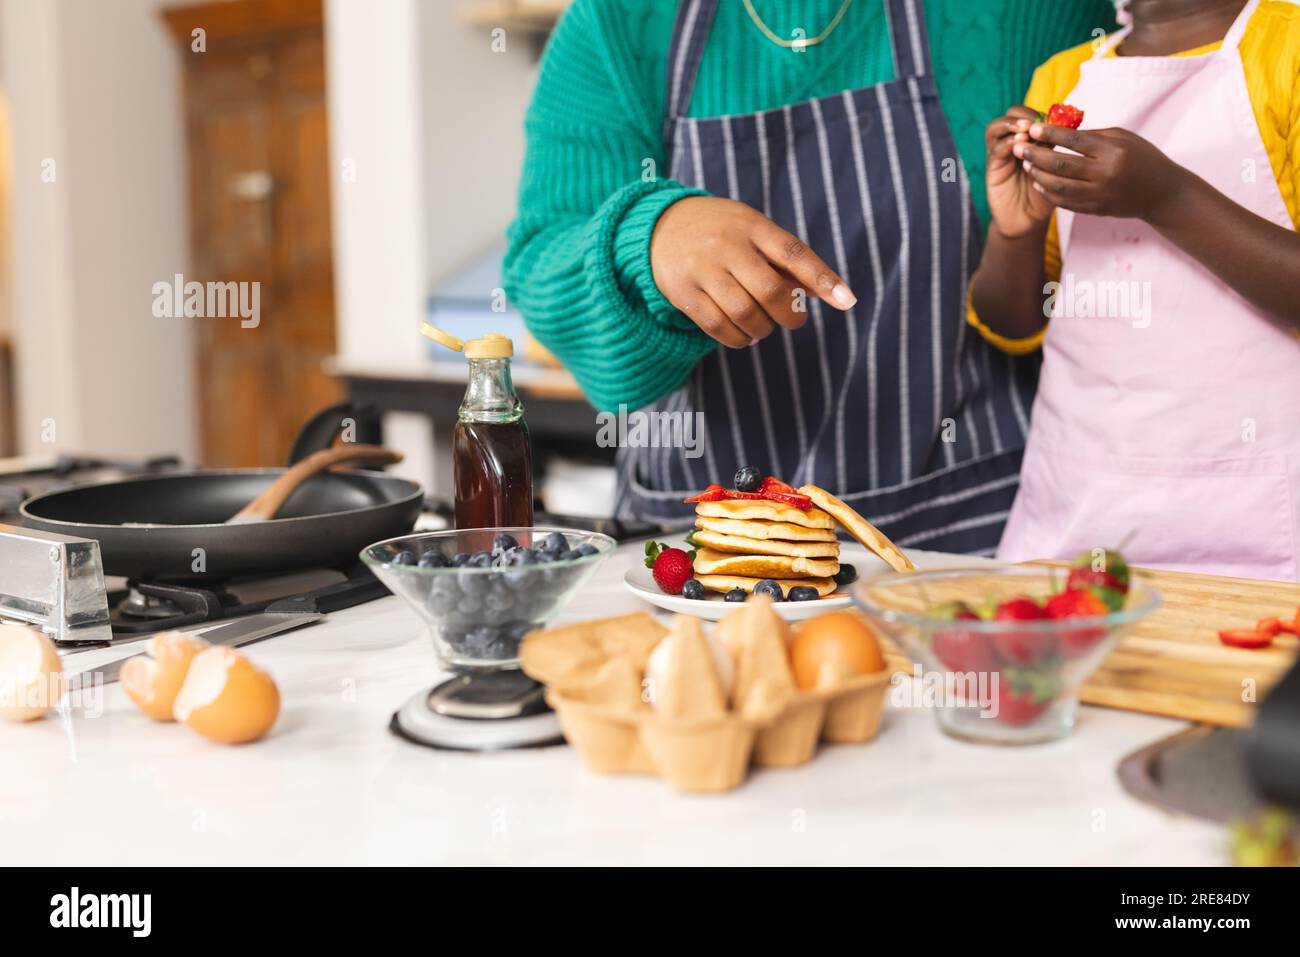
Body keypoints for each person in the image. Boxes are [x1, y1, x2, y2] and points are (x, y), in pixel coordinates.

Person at [506, 0, 1115, 552]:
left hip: (970, 546)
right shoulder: (616, 25)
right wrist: (649, 240)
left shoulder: (1032, 14)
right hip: (713, 558)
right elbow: (540, 267)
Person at [970, 0, 1300, 580]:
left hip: (1260, 522)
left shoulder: (1288, 49)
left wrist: (1166, 198)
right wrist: (1014, 229)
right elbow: (1014, 322)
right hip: (1077, 508)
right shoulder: (1063, 75)